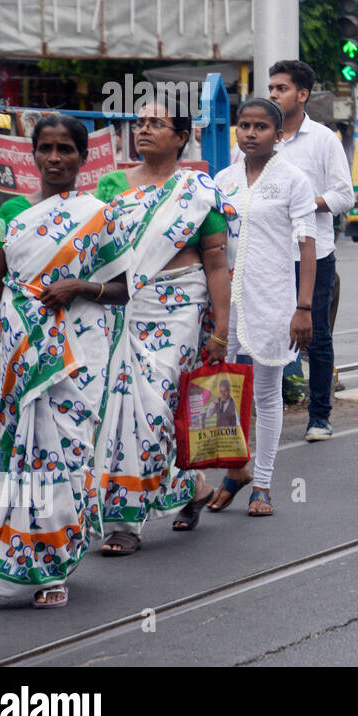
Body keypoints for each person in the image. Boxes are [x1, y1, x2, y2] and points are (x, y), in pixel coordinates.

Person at [0, 115, 131, 607]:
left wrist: (81, 287)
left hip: (77, 356)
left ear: (82, 157)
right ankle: (28, 559)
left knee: (66, 454)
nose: (55, 158)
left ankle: (56, 564)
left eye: (66, 150)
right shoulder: (11, 212)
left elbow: (122, 290)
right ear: (34, 154)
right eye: (46, 149)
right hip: (21, 351)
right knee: (26, 456)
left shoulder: (101, 214)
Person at [91, 101, 236, 556]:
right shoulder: (112, 184)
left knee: (154, 409)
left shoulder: (197, 191)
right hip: (124, 307)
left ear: (181, 137)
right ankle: (160, 502)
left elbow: (216, 264)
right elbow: (95, 248)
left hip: (180, 309)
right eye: (140, 123)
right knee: (118, 413)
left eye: (157, 123)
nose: (144, 130)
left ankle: (130, 518)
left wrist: (221, 331)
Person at [211, 98, 317, 516]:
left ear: (278, 134)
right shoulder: (222, 179)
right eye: (244, 125)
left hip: (274, 298)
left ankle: (263, 483)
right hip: (226, 301)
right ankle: (235, 467)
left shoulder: (292, 179)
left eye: (260, 127)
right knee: (221, 390)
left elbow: (306, 246)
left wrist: (303, 307)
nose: (251, 133)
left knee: (268, 395)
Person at [265, 60, 353, 443]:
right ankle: (270, 406)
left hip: (312, 255)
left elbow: (344, 196)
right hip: (268, 252)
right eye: (270, 88)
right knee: (266, 332)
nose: (272, 94)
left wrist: (303, 202)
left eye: (281, 88)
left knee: (314, 336)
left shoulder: (323, 140)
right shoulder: (258, 138)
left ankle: (319, 415)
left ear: (302, 95)